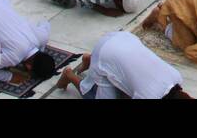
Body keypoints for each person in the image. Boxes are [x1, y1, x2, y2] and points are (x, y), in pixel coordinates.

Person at [56, 31, 185, 100]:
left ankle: (92, 60)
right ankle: (69, 75)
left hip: (125, 38)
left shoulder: (177, 77)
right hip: (106, 54)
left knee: (125, 88)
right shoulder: (149, 96)